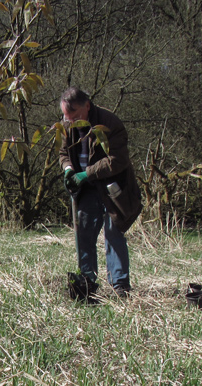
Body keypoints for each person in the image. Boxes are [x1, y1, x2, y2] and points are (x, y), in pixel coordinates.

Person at [59, 87, 142, 297]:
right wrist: (69, 170)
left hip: (113, 187)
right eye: (67, 118)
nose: (70, 121)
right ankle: (86, 283)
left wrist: (86, 174)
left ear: (87, 106)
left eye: (75, 116)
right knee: (83, 229)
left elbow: (117, 160)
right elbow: (63, 153)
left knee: (113, 232)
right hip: (87, 188)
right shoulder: (66, 125)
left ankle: (120, 286)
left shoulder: (110, 123)